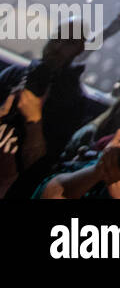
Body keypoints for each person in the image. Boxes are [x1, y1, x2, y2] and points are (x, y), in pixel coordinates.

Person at [0, 30, 88, 199]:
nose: (58, 47)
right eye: (58, 38)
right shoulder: (16, 73)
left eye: (69, 43)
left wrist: (34, 120)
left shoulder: (73, 102)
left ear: (79, 50)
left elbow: (39, 168)